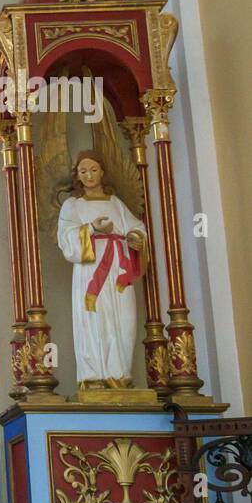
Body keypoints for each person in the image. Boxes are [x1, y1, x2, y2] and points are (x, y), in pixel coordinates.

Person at [56, 150, 146, 388]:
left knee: (125, 319)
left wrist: (136, 237)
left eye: (94, 170)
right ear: (77, 175)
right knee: (94, 320)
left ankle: (120, 375)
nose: (89, 175)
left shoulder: (115, 202)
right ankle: (94, 377)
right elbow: (66, 238)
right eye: (83, 171)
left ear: (103, 172)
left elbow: (136, 226)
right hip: (91, 271)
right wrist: (92, 229)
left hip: (118, 269)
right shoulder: (72, 205)